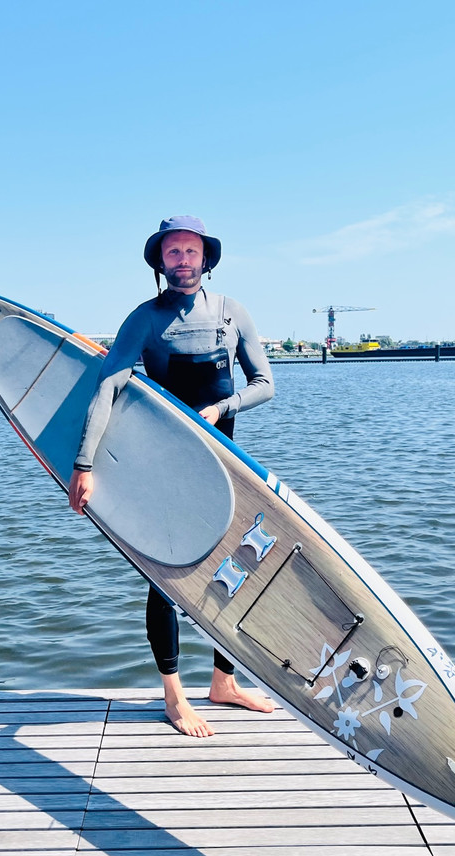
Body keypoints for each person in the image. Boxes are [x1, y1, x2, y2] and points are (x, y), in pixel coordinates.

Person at [68, 215, 276, 737]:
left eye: (190, 251)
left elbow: (265, 383)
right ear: (160, 261)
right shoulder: (144, 319)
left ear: (206, 258)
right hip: (167, 468)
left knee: (235, 567)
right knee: (164, 577)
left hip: (227, 463)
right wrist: (84, 464)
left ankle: (224, 682)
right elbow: (108, 387)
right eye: (173, 252)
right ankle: (174, 695)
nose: (183, 259)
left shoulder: (232, 313)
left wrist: (222, 407)